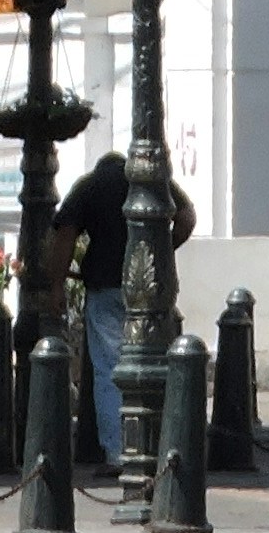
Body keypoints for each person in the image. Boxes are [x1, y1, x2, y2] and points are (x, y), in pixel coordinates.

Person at [53, 151, 196, 458]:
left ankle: (118, 451)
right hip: (152, 287)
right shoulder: (152, 178)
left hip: (105, 286)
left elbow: (65, 234)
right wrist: (164, 250)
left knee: (109, 370)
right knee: (156, 363)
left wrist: (56, 285)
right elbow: (186, 218)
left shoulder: (89, 186)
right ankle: (160, 443)